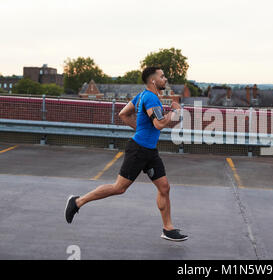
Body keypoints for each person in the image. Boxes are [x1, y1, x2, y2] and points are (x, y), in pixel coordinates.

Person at [64, 66, 188, 242]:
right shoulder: (151, 98)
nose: (165, 79)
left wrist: (141, 129)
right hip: (138, 151)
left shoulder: (141, 96)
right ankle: (77, 202)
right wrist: (175, 112)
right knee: (119, 188)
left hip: (150, 151)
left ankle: (168, 228)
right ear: (153, 80)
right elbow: (159, 124)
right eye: (162, 76)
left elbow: (123, 113)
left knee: (164, 187)